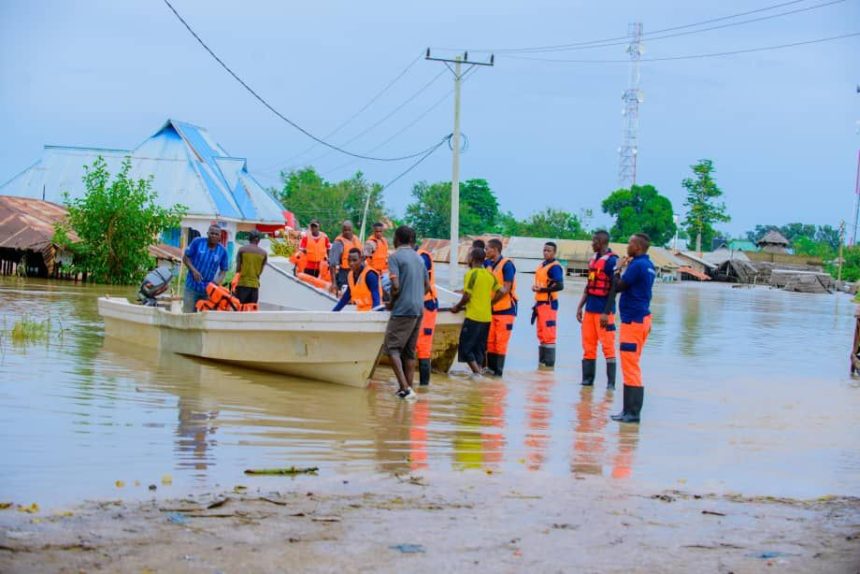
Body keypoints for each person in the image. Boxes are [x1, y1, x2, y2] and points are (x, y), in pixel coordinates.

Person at [602, 233, 656, 423]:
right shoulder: (648, 265)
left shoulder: (638, 265)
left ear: (638, 247)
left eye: (630, 243)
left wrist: (617, 269)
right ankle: (628, 411)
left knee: (630, 366)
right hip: (640, 319)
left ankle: (632, 414)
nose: (627, 246)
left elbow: (618, 286)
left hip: (633, 321)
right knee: (630, 365)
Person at [386, 226, 431, 400]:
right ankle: (409, 389)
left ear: (397, 239)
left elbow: (395, 286)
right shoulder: (419, 258)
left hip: (402, 309)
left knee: (392, 349)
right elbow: (427, 286)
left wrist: (392, 301)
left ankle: (404, 388)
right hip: (419, 308)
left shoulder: (395, 257)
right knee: (409, 352)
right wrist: (415, 296)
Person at [576, 230, 619, 388]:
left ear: (601, 242)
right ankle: (587, 382)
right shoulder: (593, 260)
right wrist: (580, 306)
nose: (592, 244)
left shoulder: (612, 261)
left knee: (607, 347)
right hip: (590, 309)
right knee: (588, 346)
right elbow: (589, 286)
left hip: (604, 312)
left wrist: (606, 313)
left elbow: (614, 288)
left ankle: (610, 385)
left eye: (594, 241)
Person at [451, 248, 503, 375]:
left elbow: (467, 296)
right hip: (486, 318)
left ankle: (477, 373)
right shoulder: (490, 274)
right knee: (479, 348)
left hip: (473, 316)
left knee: (465, 347)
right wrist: (490, 303)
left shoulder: (471, 274)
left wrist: (457, 307)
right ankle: (478, 373)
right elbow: (501, 291)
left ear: (472, 259)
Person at [484, 238, 517, 376]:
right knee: (490, 341)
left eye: (487, 249)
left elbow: (506, 289)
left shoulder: (507, 265)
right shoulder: (488, 264)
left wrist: (490, 303)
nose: (485, 251)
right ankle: (490, 371)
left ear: (495, 250)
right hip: (491, 310)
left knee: (500, 342)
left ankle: (498, 373)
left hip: (505, 310)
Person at [531, 241, 564, 368]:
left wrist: (542, 290)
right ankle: (542, 365)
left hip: (549, 304)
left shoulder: (555, 267)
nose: (546, 252)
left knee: (549, 335)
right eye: (544, 250)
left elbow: (560, 286)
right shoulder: (542, 265)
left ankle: (549, 365)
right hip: (540, 303)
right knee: (541, 333)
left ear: (554, 253)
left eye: (549, 250)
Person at [182, 225, 229, 313]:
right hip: (191, 286)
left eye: (216, 234)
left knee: (205, 315)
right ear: (207, 234)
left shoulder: (223, 251)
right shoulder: (197, 242)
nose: (213, 236)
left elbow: (224, 270)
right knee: (187, 314)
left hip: (208, 290)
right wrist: (194, 271)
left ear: (220, 236)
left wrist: (216, 283)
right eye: (211, 233)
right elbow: (185, 258)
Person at [415, 244, 438, 386]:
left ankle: (424, 387)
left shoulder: (422, 257)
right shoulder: (414, 256)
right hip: (416, 305)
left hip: (426, 304)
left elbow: (426, 284)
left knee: (423, 348)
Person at [234, 230, 267, 305]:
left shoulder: (242, 250)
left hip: (242, 285)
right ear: (258, 240)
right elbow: (260, 271)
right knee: (251, 312)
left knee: (239, 310)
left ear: (249, 239)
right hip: (255, 286)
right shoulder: (264, 253)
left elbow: (238, 269)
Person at [330, 220, 362, 293]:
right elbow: (332, 264)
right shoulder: (338, 243)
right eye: (345, 230)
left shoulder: (356, 240)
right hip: (344, 274)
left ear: (352, 229)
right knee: (346, 293)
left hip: (357, 272)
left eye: (349, 230)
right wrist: (334, 283)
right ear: (342, 230)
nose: (347, 232)